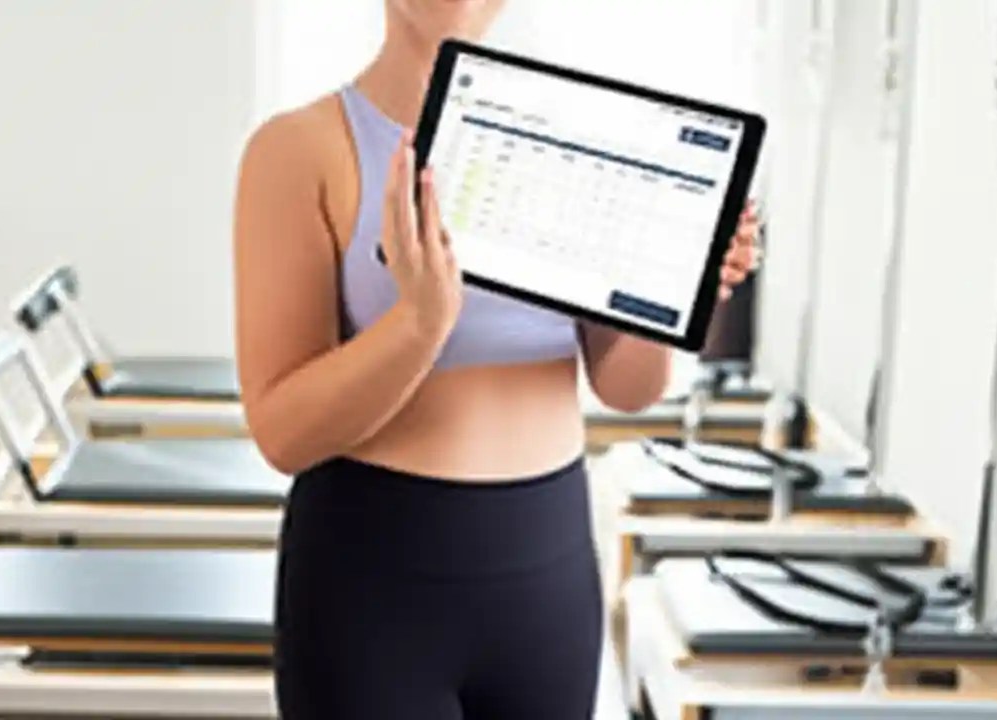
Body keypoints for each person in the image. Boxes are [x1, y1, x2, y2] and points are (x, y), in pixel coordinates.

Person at [233, 1, 759, 717]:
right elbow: (282, 431)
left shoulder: (576, 142)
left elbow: (627, 388)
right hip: (371, 580)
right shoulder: (299, 150)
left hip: (548, 571)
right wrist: (418, 327)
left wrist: (683, 286)